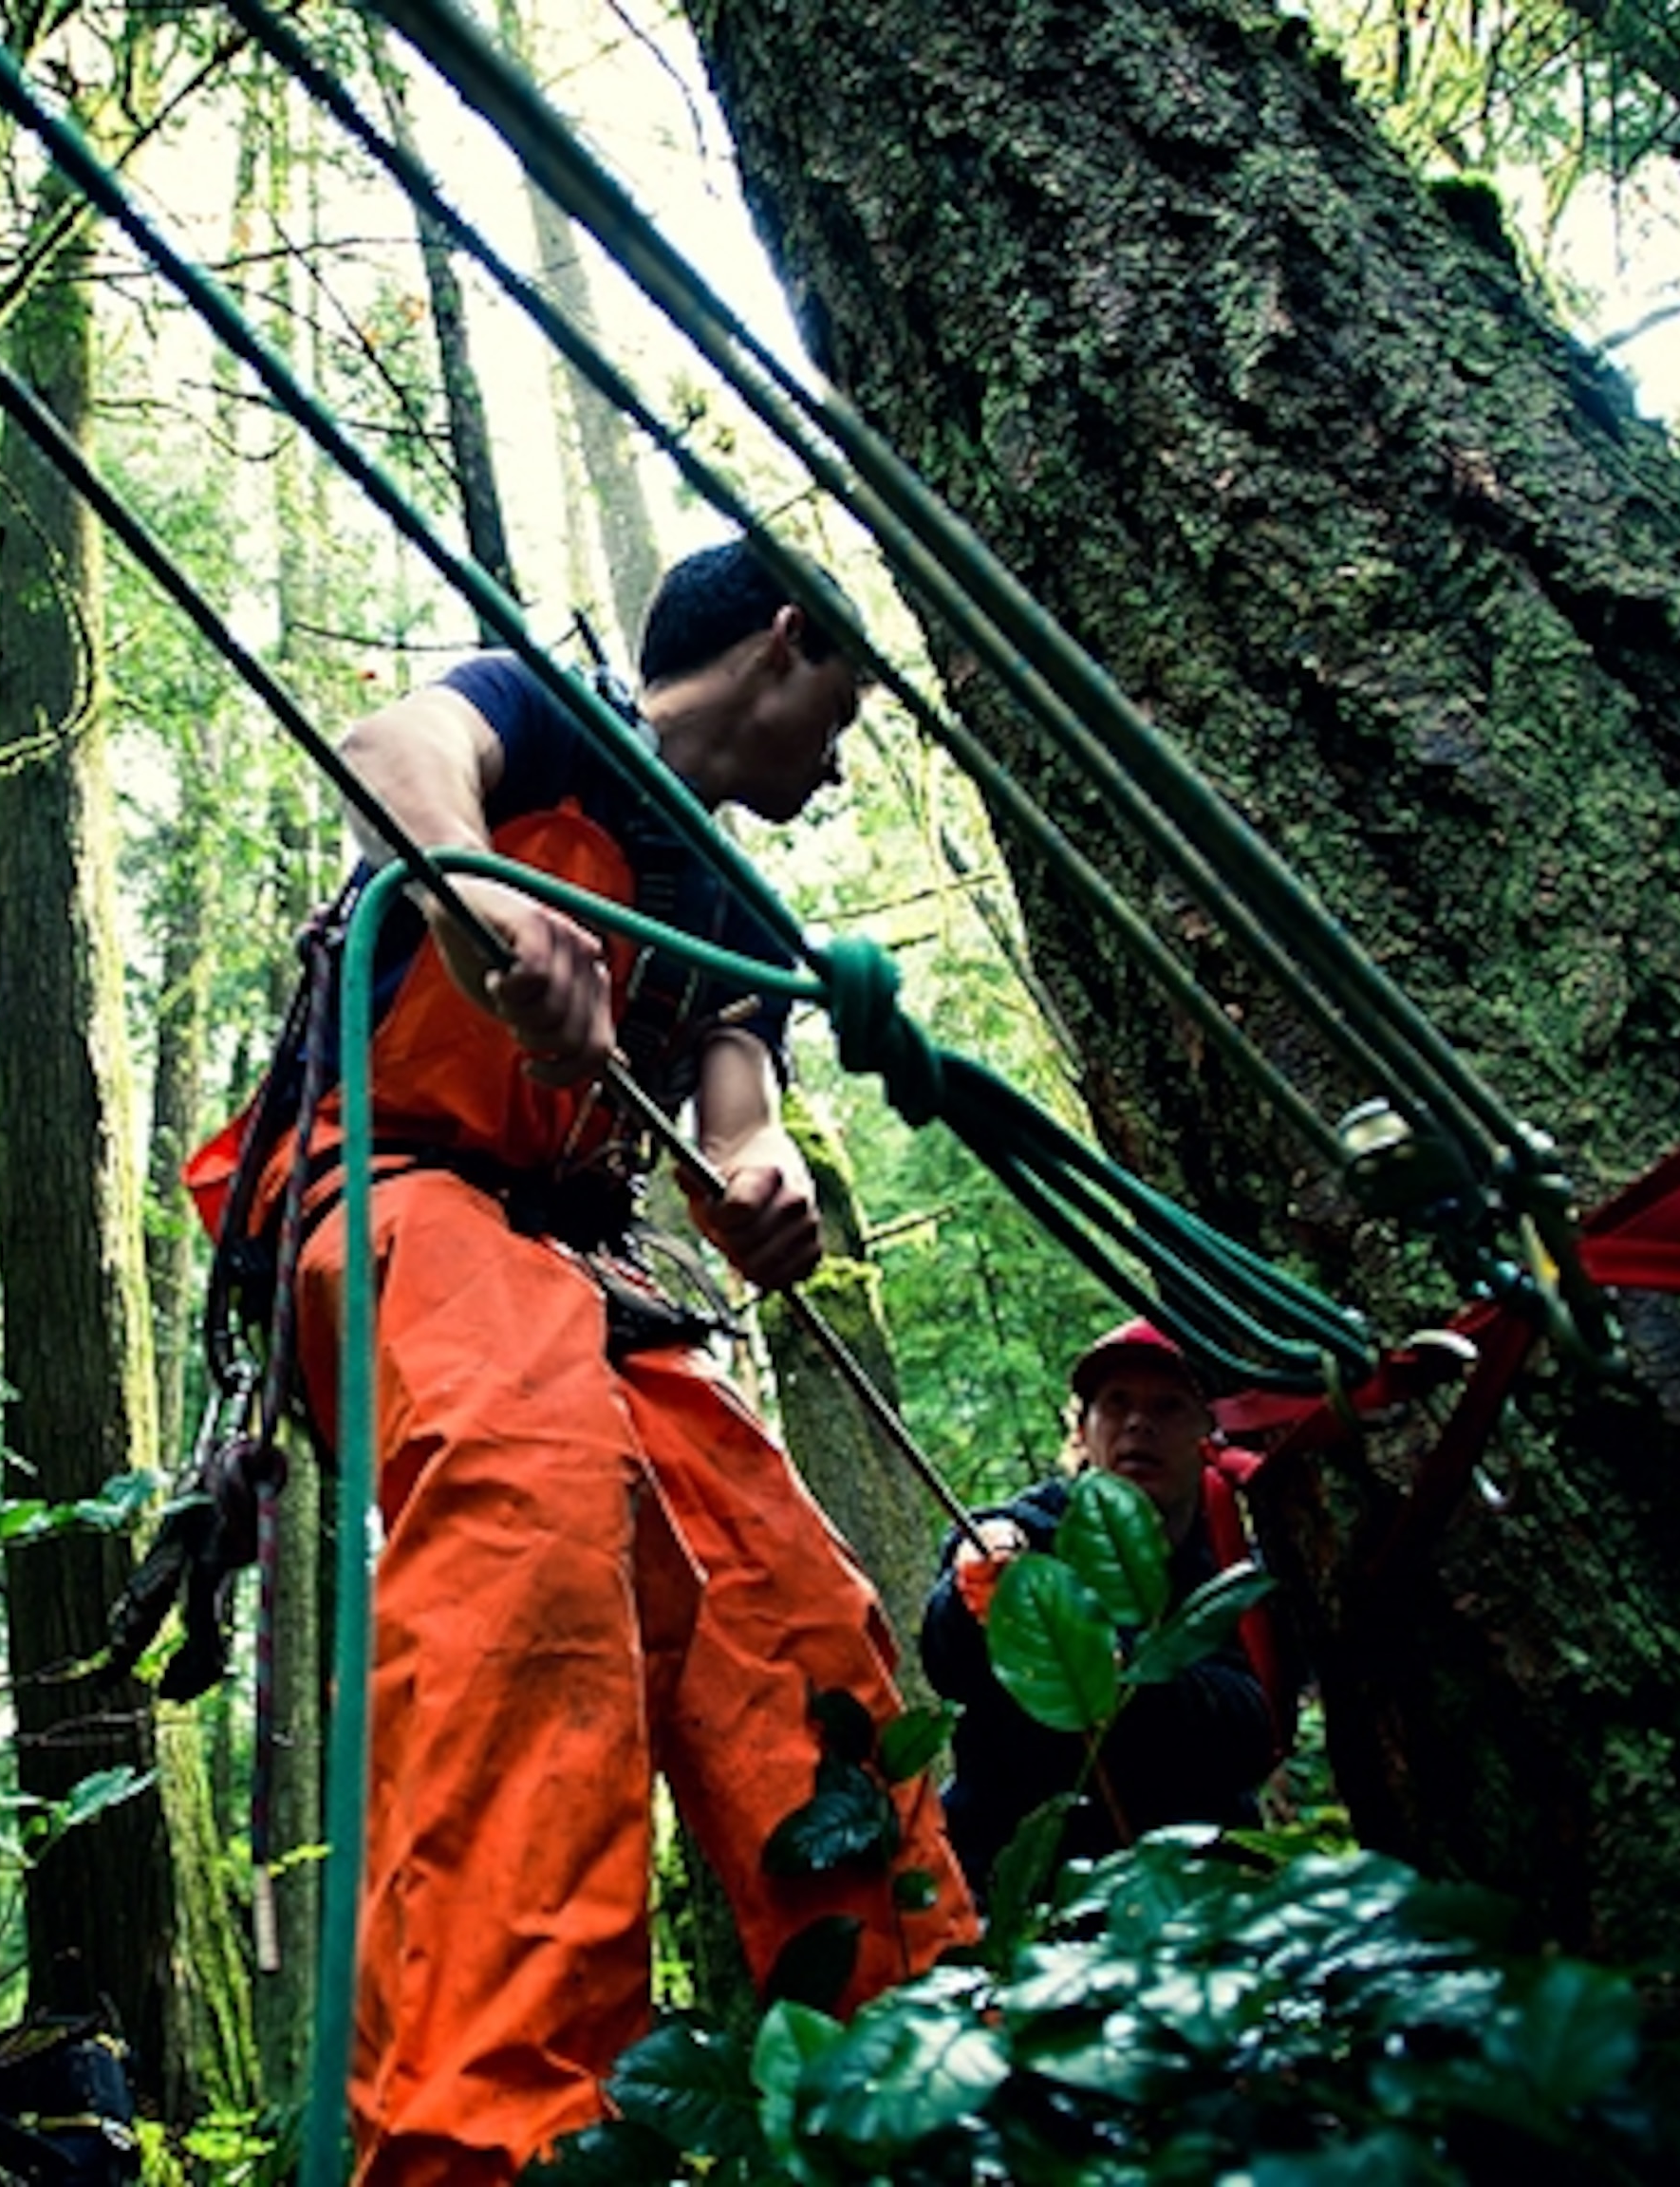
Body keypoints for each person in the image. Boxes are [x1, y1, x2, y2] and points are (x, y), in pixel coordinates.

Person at [267, 541, 979, 2183]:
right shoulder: (548, 713)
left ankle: (924, 2089)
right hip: (385, 1183)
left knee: (789, 1601)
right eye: (845, 705)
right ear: (786, 642)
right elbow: (398, 752)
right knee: (524, 1487)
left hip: (591, 1272)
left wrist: (763, 1173)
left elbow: (734, 1100)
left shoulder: (739, 910)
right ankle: (488, 2138)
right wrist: (480, 887)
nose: (842, 752)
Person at [919, 1317, 1284, 1906]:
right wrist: (977, 1582)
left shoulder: (1237, 1571)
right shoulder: (1032, 1531)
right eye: (1117, 1404)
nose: (1139, 1424)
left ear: (1209, 1434)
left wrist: (1120, 1667)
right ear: (1083, 1432)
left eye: (1168, 1406)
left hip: (1197, 1894)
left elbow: (1252, 1727)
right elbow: (949, 1656)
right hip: (1021, 1892)